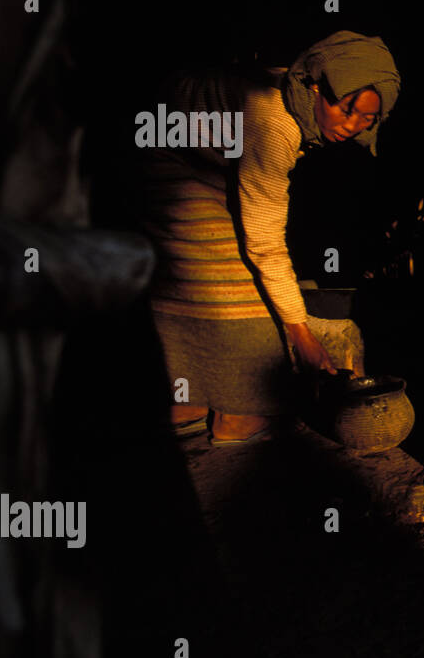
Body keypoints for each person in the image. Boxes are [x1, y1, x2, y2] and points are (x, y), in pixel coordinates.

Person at [142, 31, 401, 442]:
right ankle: (238, 413)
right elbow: (264, 242)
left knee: (195, 276)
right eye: (344, 107)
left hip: (198, 145)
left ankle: (186, 401)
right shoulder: (274, 121)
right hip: (165, 146)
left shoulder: (294, 103)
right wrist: (301, 336)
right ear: (316, 87)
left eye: (367, 117)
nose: (351, 125)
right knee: (228, 277)